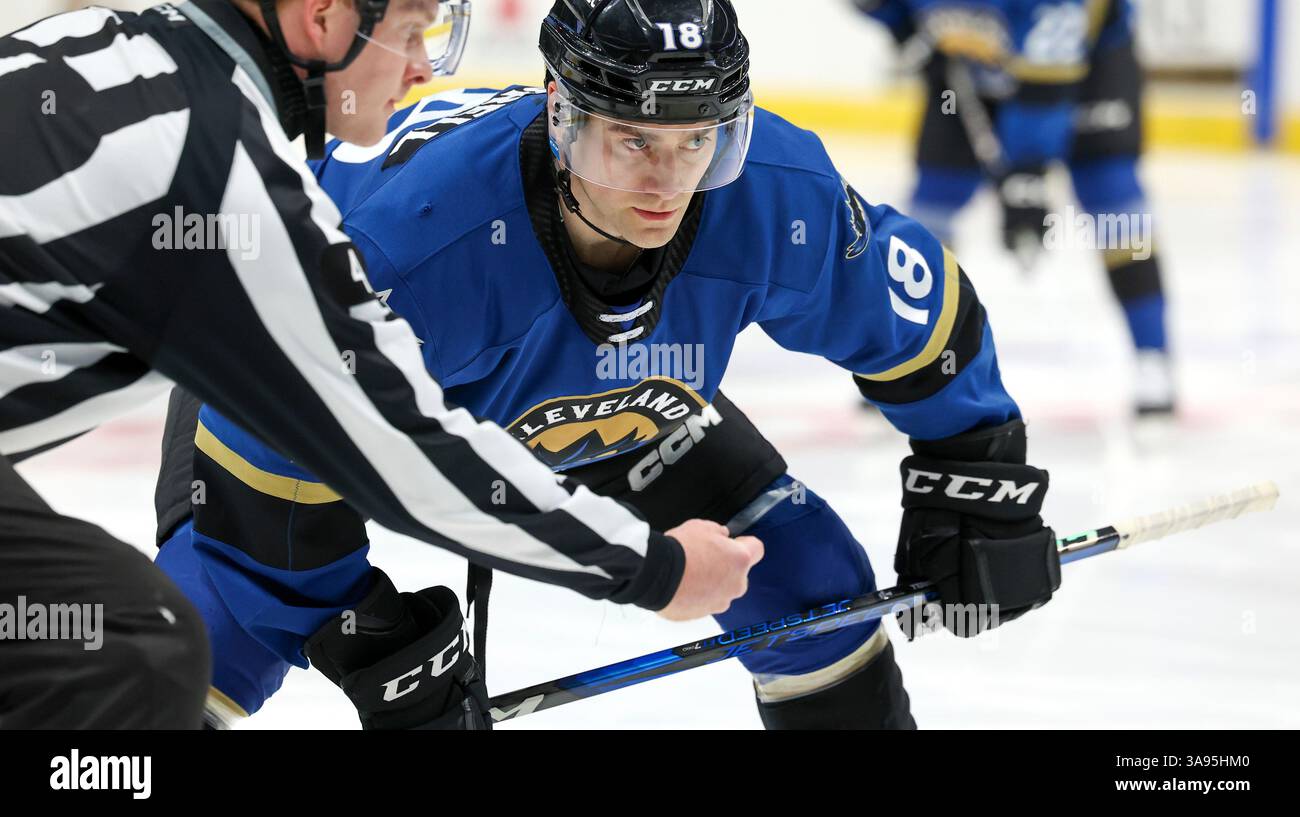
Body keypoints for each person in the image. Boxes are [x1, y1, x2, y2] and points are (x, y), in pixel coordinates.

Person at [155, 0, 1061, 731]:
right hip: (287, 396)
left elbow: (923, 316)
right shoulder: (416, 248)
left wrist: (974, 467)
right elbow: (266, 485)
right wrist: (369, 638)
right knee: (203, 645)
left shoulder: (773, 195)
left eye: (698, 140)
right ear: (561, 118)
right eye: (632, 141)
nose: (667, 184)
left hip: (607, 406)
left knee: (811, 583)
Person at [0, 0, 758, 730]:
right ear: (323, 16)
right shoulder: (223, 176)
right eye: (409, 30)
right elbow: (394, 447)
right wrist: (652, 569)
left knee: (134, 645)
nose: (425, 66)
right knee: (138, 658)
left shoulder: (112, 47)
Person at [854, 0, 1176, 416]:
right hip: (971, 70)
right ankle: (899, 356)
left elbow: (1048, 77)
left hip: (1090, 69)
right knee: (934, 199)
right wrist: (904, 29)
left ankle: (1153, 359)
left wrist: (1026, 177)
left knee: (1114, 201)